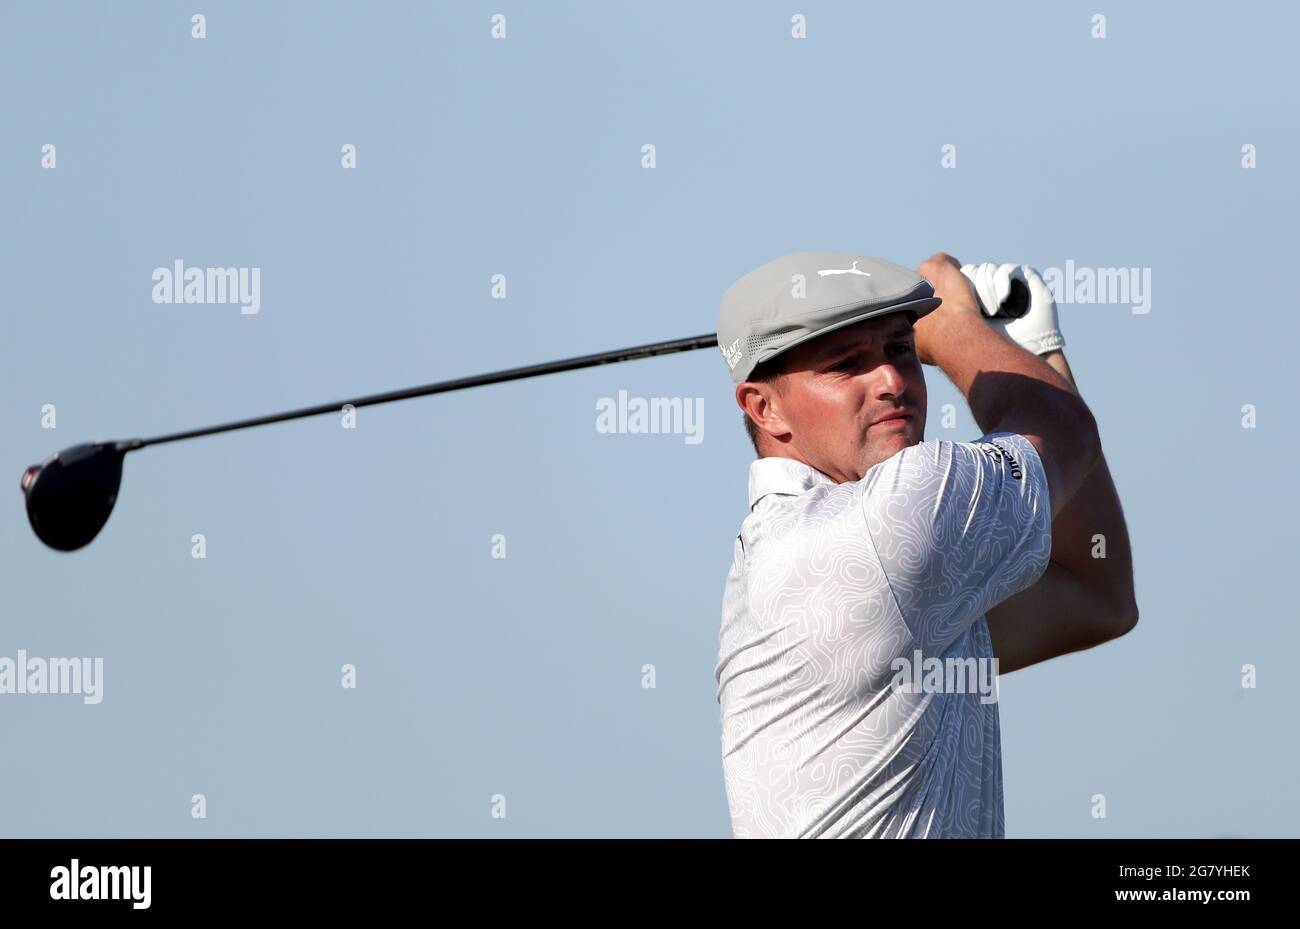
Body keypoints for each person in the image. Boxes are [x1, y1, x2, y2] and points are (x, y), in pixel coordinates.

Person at [714, 250, 1137, 838]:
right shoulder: (880, 530)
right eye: (845, 365)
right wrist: (960, 334)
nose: (891, 382)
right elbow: (1063, 428)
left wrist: (1026, 353)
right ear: (764, 407)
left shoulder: (899, 580)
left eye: (899, 349)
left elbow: (1096, 596)